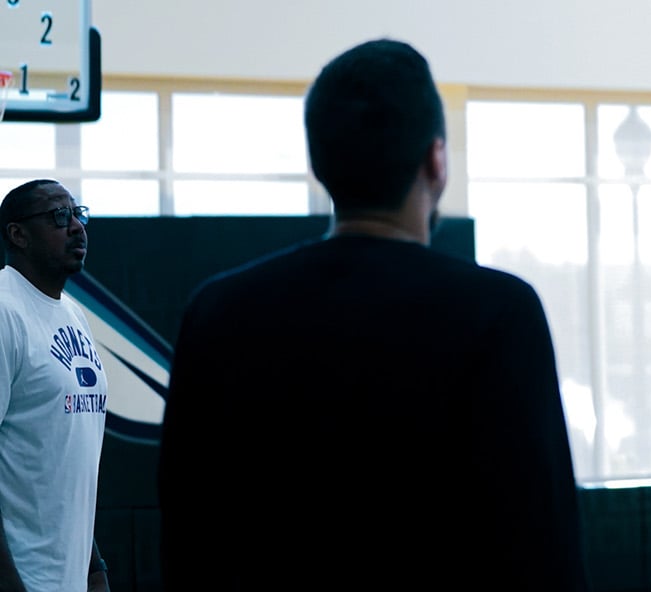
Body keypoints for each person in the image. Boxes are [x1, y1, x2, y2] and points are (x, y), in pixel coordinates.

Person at [158, 40, 589, 592]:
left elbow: (185, 543)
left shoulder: (215, 313)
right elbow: (543, 551)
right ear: (437, 161)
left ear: (319, 164)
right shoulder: (498, 315)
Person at [0, 181, 109, 592]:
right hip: (24, 579)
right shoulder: (4, 311)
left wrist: (93, 566)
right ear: (18, 234)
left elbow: (66, 458)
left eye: (78, 213)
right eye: (59, 216)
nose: (77, 227)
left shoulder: (74, 314)